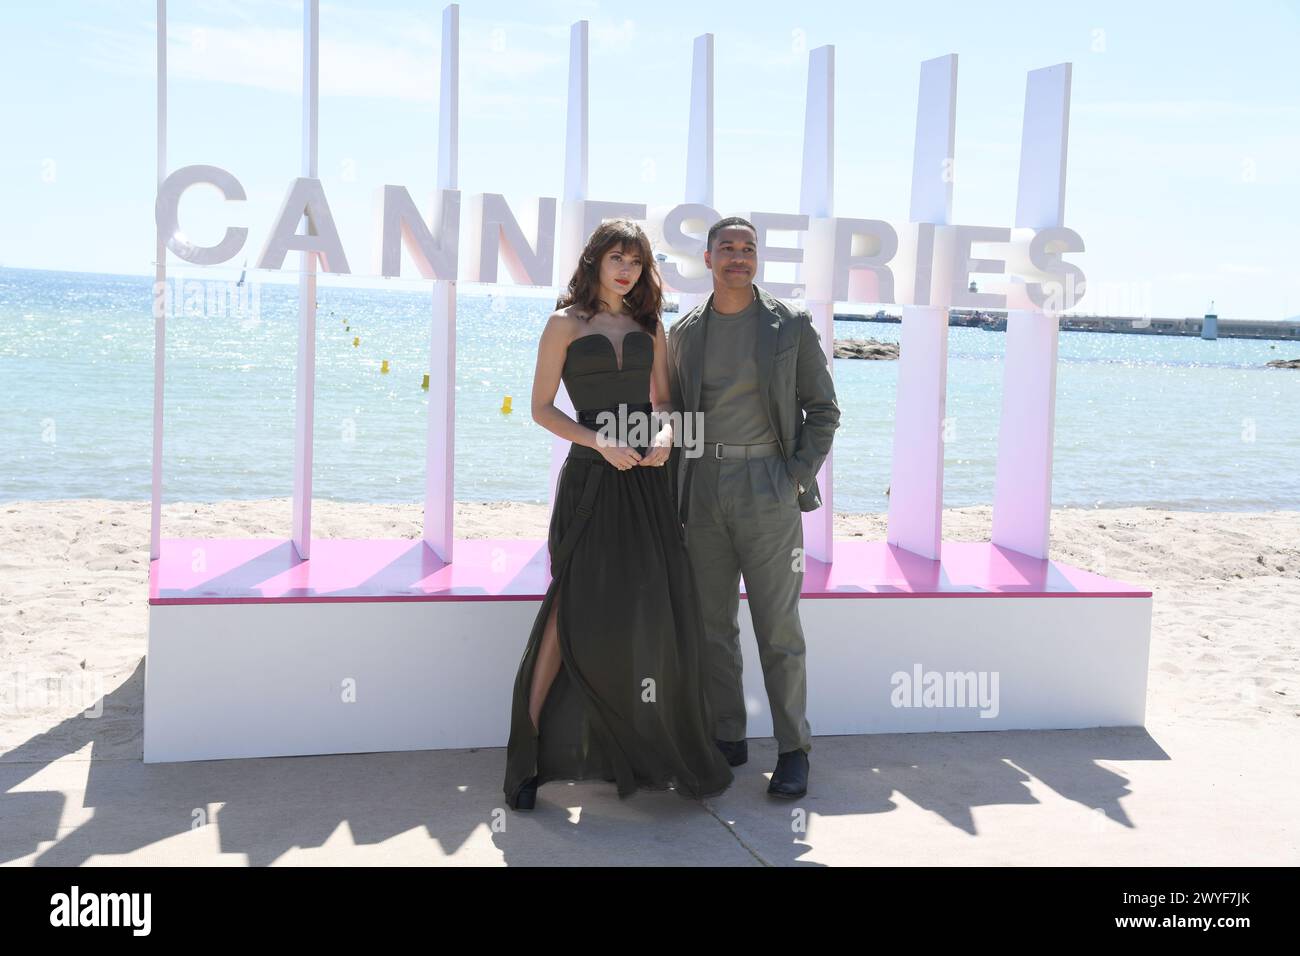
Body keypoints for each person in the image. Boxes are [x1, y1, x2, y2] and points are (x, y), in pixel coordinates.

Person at [502, 219, 734, 811]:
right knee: (568, 608)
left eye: (635, 260)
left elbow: (663, 403)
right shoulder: (562, 324)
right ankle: (527, 758)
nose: (626, 269)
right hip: (591, 481)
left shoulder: (650, 325)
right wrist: (598, 442)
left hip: (647, 487)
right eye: (616, 258)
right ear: (595, 262)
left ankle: (640, 750)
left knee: (647, 610)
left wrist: (662, 434)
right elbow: (539, 409)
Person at [666, 217, 840, 799]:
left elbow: (824, 409)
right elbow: (674, 415)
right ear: (708, 258)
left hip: (768, 484)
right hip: (704, 483)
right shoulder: (685, 331)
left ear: (756, 258)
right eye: (728, 249)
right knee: (713, 624)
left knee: (778, 627)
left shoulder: (788, 325)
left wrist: (794, 475)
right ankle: (728, 737)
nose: (739, 257)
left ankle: (793, 750)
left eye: (748, 249)